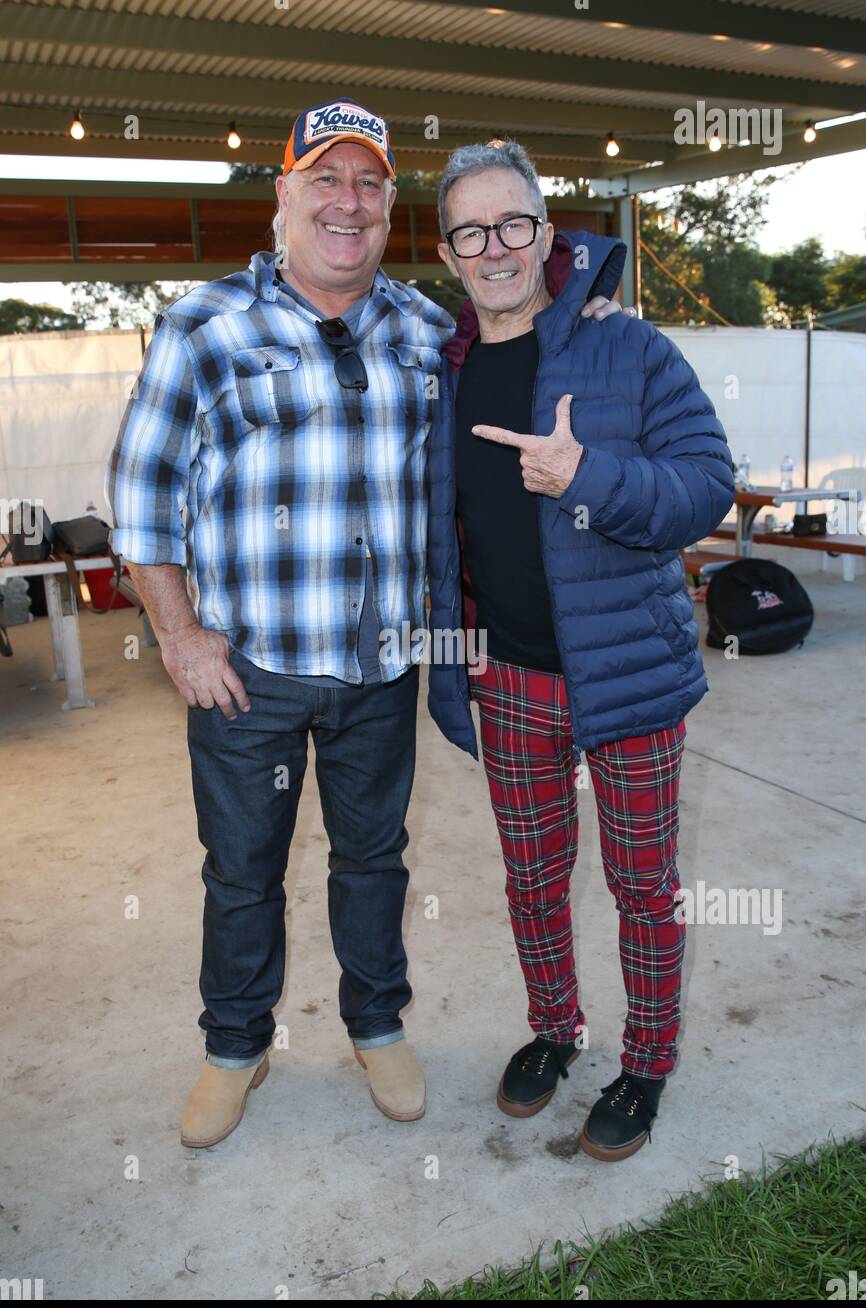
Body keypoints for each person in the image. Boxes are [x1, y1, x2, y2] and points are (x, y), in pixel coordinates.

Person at [105, 99, 625, 1148]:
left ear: (390, 207)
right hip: (245, 672)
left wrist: (596, 321)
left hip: (381, 668)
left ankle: (376, 1024)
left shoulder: (427, 332)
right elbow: (141, 497)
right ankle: (233, 1047)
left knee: (372, 858)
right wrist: (177, 633)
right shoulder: (203, 327)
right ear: (285, 196)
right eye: (324, 179)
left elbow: (533, 346)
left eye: (368, 183)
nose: (346, 200)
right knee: (241, 870)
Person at [426, 140, 735, 1161]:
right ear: (447, 251)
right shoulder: (439, 365)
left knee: (641, 883)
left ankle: (645, 1061)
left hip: (628, 676)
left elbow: (703, 483)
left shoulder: (626, 348)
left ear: (546, 232)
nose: (495, 247)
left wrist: (588, 475)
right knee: (530, 877)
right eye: (471, 230)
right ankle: (555, 1029)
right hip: (504, 676)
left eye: (513, 223)